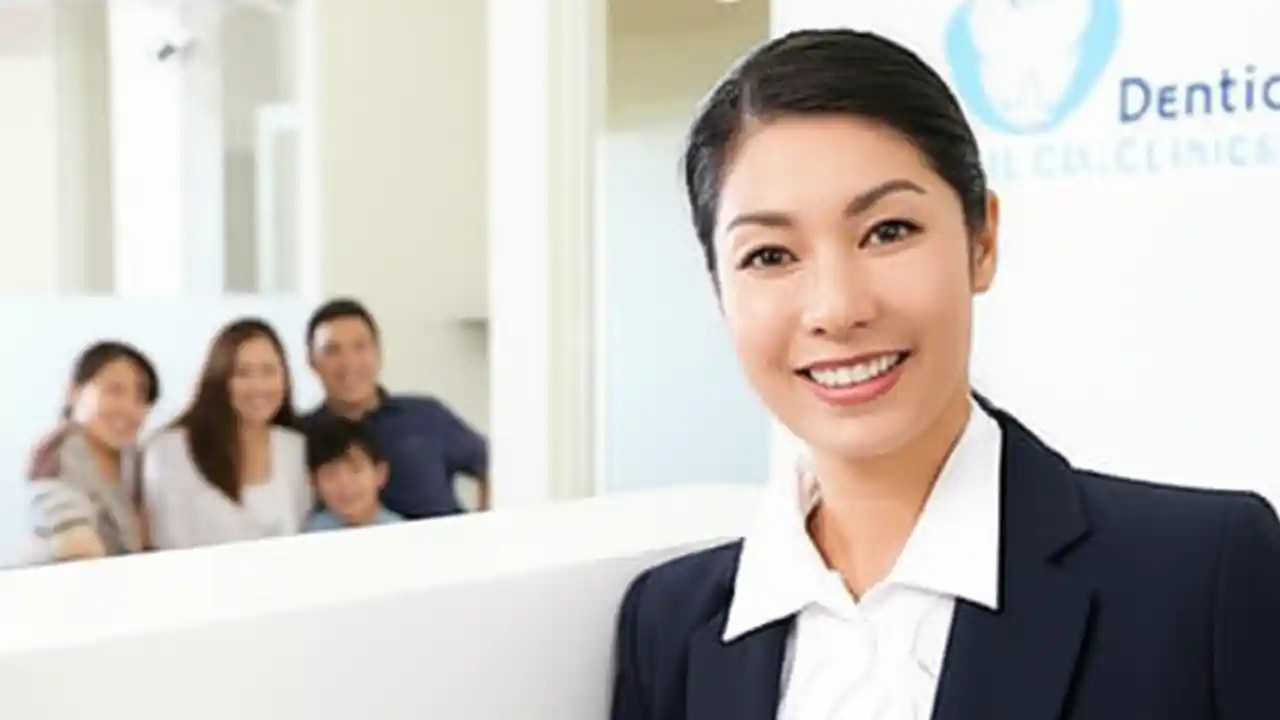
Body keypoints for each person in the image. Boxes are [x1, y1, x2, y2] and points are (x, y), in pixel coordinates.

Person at [610, 29, 1280, 720]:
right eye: (770, 256)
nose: (836, 309)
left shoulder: (1200, 580)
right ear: (718, 288)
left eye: (888, 231)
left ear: (981, 240)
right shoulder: (669, 628)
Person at [299, 298, 489, 519]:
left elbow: (494, 464)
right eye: (332, 350)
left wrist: (487, 526)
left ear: (378, 353)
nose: (349, 362)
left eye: (360, 347)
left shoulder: (426, 415)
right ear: (311, 361)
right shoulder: (300, 435)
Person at [142, 319, 312, 549]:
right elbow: (167, 544)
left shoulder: (293, 447)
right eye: (242, 373)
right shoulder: (169, 450)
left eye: (269, 371)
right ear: (219, 378)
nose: (258, 386)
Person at [24, 341, 160, 564]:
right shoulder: (54, 469)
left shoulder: (136, 468)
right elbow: (77, 548)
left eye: (141, 397)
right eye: (114, 390)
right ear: (74, 393)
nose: (129, 407)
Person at [303, 416, 402, 532]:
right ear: (314, 482)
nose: (344, 482)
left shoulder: (402, 531)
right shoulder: (310, 533)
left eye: (355, 469)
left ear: (380, 473)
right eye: (331, 474)